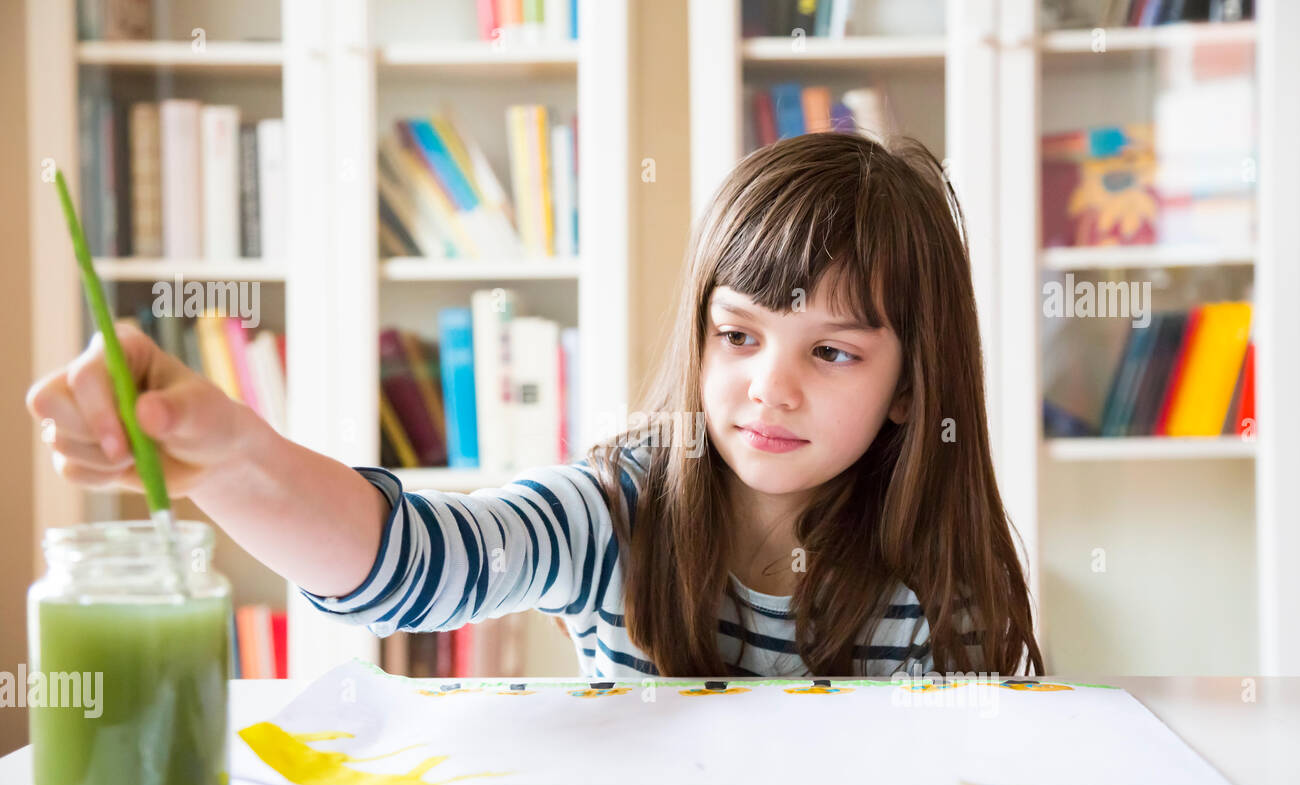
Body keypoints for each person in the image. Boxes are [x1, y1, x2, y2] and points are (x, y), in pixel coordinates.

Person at [26, 131, 1043, 679]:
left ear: (909, 386)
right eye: (738, 335)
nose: (769, 385)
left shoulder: (936, 578)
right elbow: (412, 562)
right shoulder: (616, 508)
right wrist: (234, 460)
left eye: (830, 352)